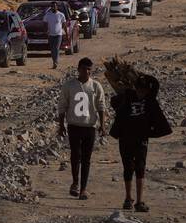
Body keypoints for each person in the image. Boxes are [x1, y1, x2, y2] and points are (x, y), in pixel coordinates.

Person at [109, 74, 172, 212]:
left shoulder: (149, 101)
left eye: (143, 90)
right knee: (128, 168)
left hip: (141, 139)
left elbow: (155, 84)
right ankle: (127, 198)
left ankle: (139, 201)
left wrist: (149, 133)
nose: (141, 93)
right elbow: (113, 102)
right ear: (135, 88)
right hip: (126, 138)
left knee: (140, 168)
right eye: (139, 90)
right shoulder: (126, 97)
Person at [57, 57, 107, 200]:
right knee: (75, 155)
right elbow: (62, 106)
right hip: (74, 126)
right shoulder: (69, 85)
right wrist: (61, 125)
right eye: (84, 69)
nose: (87, 72)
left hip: (89, 127)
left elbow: (101, 106)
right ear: (78, 69)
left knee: (87, 158)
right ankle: (75, 183)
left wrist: (102, 125)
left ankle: (84, 188)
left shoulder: (96, 86)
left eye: (89, 69)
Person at [44, 1, 68, 69]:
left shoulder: (61, 15)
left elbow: (64, 24)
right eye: (52, 6)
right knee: (52, 49)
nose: (53, 7)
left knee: (56, 48)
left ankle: (56, 62)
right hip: (51, 34)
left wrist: (66, 33)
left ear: (57, 7)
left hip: (58, 34)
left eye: (54, 6)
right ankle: (54, 61)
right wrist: (46, 31)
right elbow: (45, 23)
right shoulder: (48, 15)